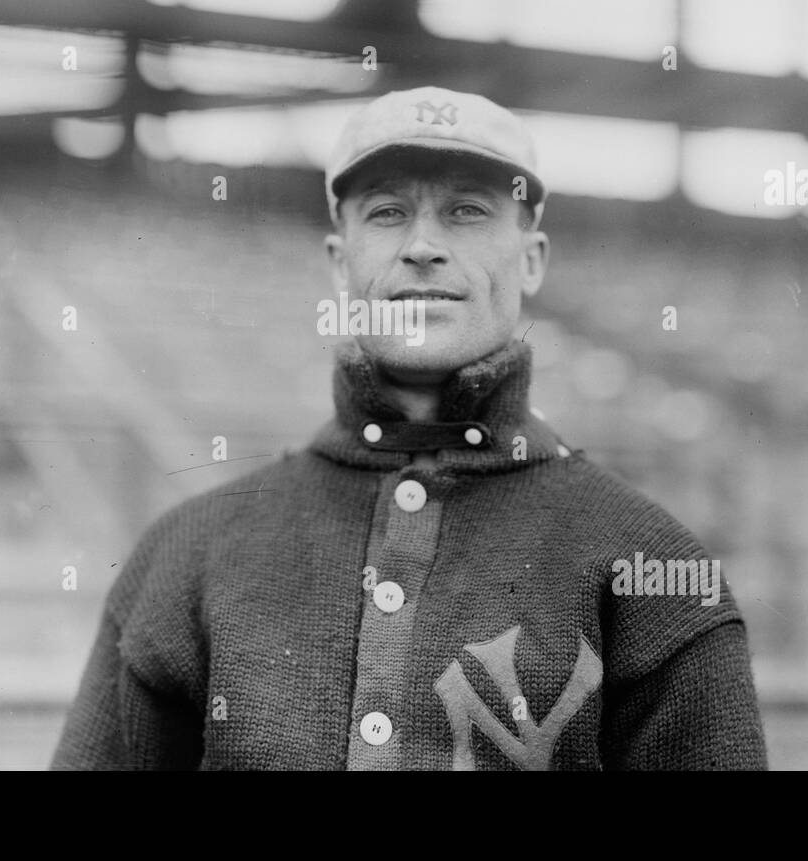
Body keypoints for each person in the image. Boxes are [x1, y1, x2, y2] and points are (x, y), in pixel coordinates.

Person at [50, 86, 768, 770]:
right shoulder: (187, 554)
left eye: (467, 212)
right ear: (341, 262)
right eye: (388, 212)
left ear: (532, 259)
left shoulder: (655, 567)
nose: (423, 245)